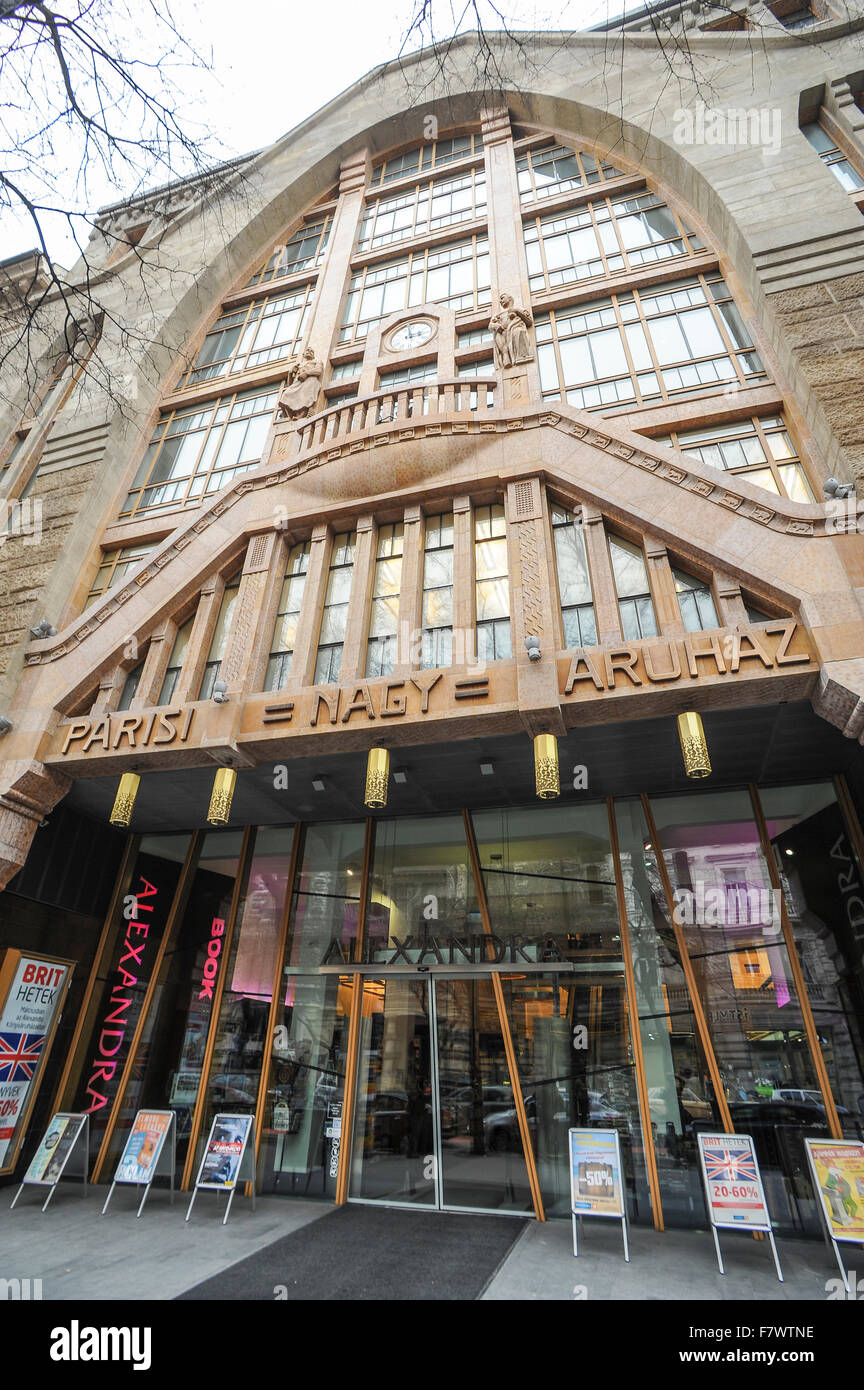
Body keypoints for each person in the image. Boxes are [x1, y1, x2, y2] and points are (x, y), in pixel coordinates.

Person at [489, 292, 533, 369]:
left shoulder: (519, 309)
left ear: (509, 298)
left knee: (519, 331)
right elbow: (490, 325)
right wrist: (496, 326)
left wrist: (516, 311)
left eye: (502, 298)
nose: (500, 301)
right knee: (500, 337)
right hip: (502, 332)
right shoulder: (497, 314)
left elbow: (529, 321)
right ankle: (506, 359)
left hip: (514, 329)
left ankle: (522, 356)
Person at [277, 347, 323, 420]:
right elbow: (290, 384)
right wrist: (290, 373)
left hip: (310, 380)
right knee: (286, 394)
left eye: (311, 351)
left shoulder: (317, 361)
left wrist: (306, 373)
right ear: (303, 354)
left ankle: (301, 415)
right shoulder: (299, 365)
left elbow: (318, 370)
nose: (309, 351)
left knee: (306, 394)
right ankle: (288, 415)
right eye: (307, 350)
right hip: (298, 383)